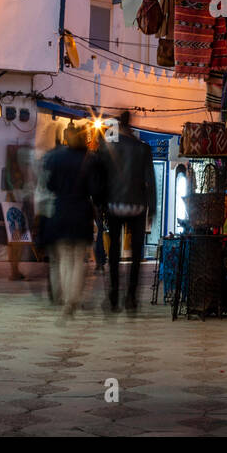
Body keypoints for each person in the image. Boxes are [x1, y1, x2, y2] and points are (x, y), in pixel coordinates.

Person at [37, 122, 100, 318]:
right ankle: (73, 299)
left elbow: (49, 184)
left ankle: (66, 300)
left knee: (64, 258)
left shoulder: (55, 158)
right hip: (81, 211)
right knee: (78, 259)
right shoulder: (90, 159)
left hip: (61, 210)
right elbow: (95, 190)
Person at [98, 111, 157, 312]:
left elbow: (103, 179)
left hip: (115, 204)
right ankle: (131, 297)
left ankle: (114, 294)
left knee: (114, 251)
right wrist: (153, 207)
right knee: (136, 254)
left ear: (118, 125)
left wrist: (100, 204)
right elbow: (150, 181)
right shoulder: (142, 149)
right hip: (137, 205)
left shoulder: (108, 149)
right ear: (131, 124)